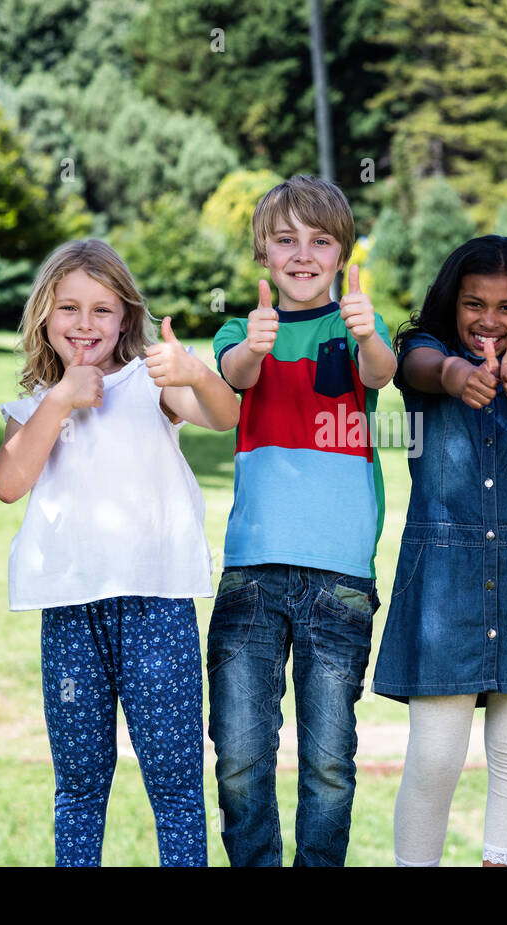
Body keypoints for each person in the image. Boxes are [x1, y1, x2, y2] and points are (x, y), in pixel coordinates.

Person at [0, 239, 238, 866]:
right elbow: (7, 483)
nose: (85, 324)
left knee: (176, 786)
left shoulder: (149, 382)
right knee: (78, 786)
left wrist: (197, 373)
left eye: (103, 310)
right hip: (71, 612)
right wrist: (60, 398)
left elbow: (224, 416)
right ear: (45, 315)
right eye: (69, 308)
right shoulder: (37, 404)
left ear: (126, 316)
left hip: (157, 607)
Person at [373, 235, 507, 867]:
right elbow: (419, 369)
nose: (491, 320)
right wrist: (457, 375)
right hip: (444, 577)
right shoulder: (425, 351)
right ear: (452, 301)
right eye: (474, 304)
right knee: (436, 755)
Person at [208, 174, 396, 866]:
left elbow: (380, 374)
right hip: (251, 575)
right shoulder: (242, 329)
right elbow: (234, 376)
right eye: (285, 239)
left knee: (327, 762)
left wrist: (366, 333)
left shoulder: (355, 324)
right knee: (239, 755)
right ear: (263, 251)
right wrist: (255, 346)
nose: (302, 253)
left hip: (339, 578)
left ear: (342, 251)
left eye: (320, 240)